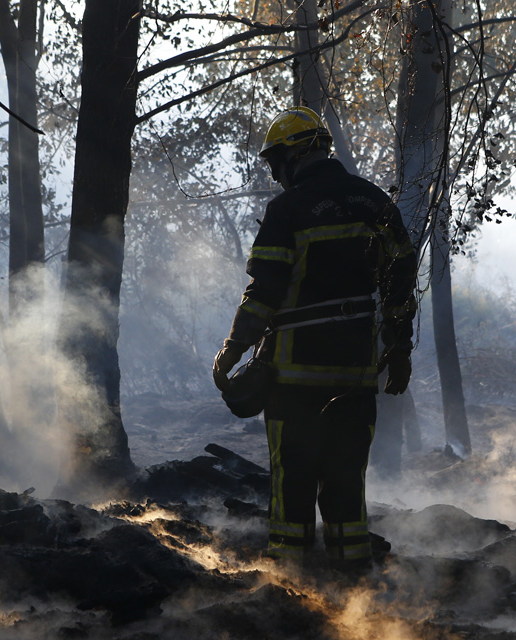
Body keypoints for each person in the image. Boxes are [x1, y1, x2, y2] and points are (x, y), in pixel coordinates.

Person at [212, 106, 418, 569]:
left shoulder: (288, 209)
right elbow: (401, 282)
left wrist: (233, 348)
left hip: (294, 379)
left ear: (297, 154)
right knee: (347, 480)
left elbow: (264, 292)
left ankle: (290, 581)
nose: (274, 173)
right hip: (356, 374)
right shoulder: (375, 203)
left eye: (275, 161)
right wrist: (399, 348)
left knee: (293, 480)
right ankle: (353, 579)